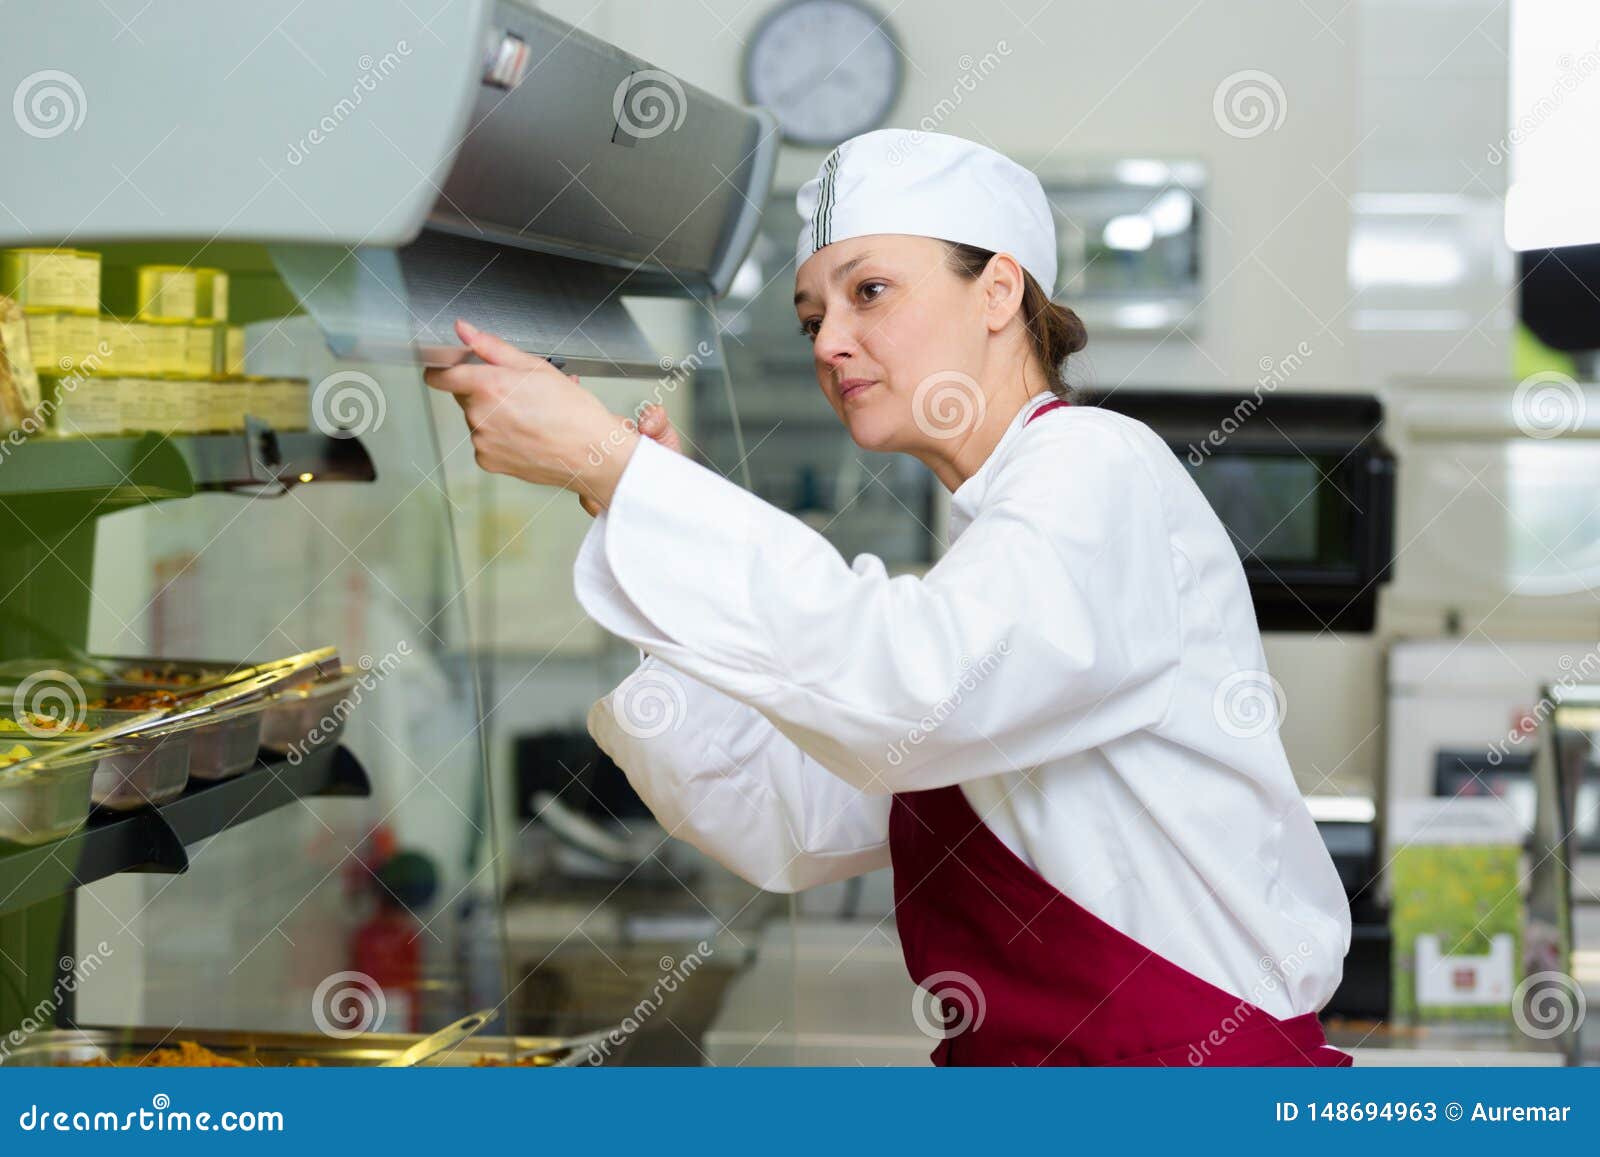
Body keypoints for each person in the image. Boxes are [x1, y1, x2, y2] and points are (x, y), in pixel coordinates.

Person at [426, 129, 1353, 1067]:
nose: (830, 342)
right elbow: (791, 819)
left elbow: (917, 687)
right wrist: (638, 514)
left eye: (869, 292)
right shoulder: (988, 535)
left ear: (999, 290)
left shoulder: (1097, 464)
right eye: (809, 315)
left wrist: (630, 478)